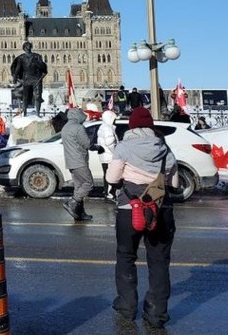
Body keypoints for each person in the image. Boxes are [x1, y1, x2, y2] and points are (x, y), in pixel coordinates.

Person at [105, 107, 179, 329]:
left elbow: (112, 178)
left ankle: (127, 306)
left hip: (130, 208)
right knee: (159, 260)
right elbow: (174, 183)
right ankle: (157, 313)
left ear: (131, 126)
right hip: (160, 209)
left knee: (126, 256)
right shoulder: (164, 148)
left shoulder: (124, 147)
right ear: (151, 126)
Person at [61, 107, 95, 221]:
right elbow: (87, 144)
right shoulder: (78, 128)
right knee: (88, 184)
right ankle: (72, 202)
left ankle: (79, 213)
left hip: (70, 161)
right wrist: (97, 147)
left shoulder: (65, 127)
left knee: (78, 187)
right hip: (79, 161)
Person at [10, 41, 48, 115]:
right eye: (27, 45)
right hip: (26, 78)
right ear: (24, 48)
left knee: (38, 96)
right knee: (25, 96)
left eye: (29, 45)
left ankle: (37, 113)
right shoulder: (21, 57)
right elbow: (18, 68)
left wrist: (37, 63)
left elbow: (42, 66)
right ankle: (25, 113)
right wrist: (15, 77)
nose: (28, 47)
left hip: (36, 78)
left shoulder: (37, 56)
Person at [97, 110, 120, 201]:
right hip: (109, 157)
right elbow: (110, 142)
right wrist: (116, 153)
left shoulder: (103, 127)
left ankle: (107, 193)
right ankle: (110, 195)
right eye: (114, 119)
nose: (115, 121)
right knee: (111, 177)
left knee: (107, 175)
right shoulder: (107, 128)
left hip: (105, 156)